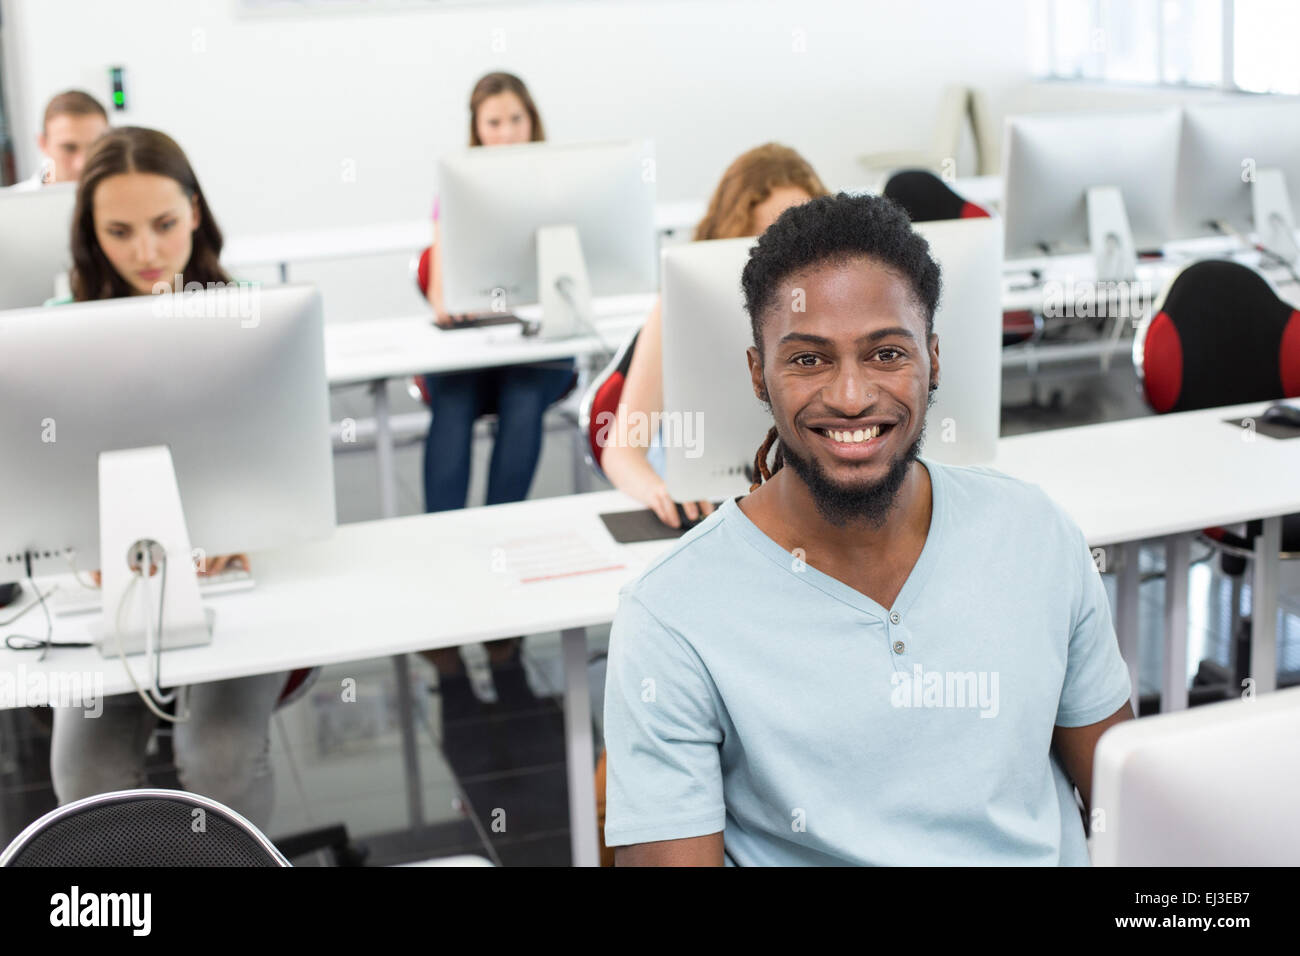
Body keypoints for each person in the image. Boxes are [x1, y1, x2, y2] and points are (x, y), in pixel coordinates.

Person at [602, 193, 1134, 866]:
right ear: (758, 375)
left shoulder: (1037, 535)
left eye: (886, 353)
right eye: (808, 360)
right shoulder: (672, 617)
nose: (851, 396)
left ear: (934, 360)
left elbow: (1126, 802)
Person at [47, 126, 286, 831]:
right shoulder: (61, 330)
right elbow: (45, 476)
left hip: (233, 580)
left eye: (164, 225)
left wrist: (244, 529)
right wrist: (76, 543)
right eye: (119, 232)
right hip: (116, 592)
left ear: (195, 213)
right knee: (82, 770)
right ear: (91, 234)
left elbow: (285, 466)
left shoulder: (251, 317)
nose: (146, 253)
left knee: (218, 754)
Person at [421, 73, 575, 704]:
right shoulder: (456, 190)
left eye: (515, 119)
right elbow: (436, 285)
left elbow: (575, 272)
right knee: (451, 407)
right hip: (472, 346)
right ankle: (447, 572)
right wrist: (452, 303)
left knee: (521, 403)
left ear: (531, 122)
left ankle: (497, 561)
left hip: (538, 349)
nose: (506, 132)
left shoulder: (561, 184)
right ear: (476, 131)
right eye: (493, 122)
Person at [599, 143, 828, 529]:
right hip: (708, 513)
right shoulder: (679, 305)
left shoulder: (834, 312)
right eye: (768, 241)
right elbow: (621, 452)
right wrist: (658, 489)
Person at [10, 90, 109, 191]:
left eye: (95, 147)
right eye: (69, 148)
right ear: (43, 144)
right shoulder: (8, 204)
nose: (81, 164)